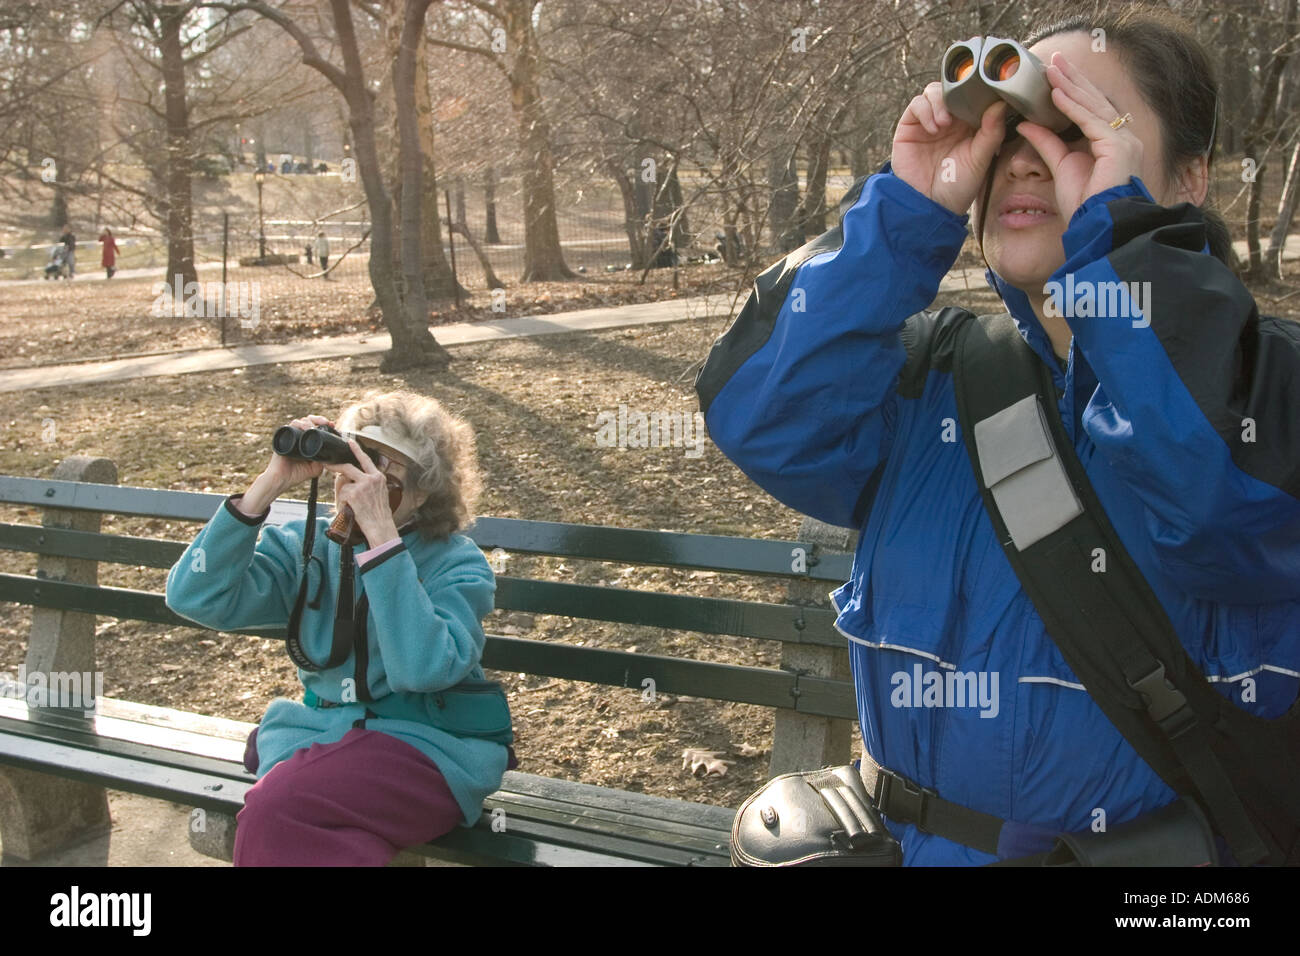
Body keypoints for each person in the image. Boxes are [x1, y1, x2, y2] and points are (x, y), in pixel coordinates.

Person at [697, 8, 1300, 865]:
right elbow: (759, 412)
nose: (1025, 154)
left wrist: (1117, 244)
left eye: (1073, 125)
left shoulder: (1267, 392)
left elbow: (1214, 496)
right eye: (1007, 126)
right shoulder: (934, 377)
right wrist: (906, 209)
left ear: (1191, 175)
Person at [165, 390, 513, 866]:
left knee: (277, 809)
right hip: (321, 741)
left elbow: (424, 669)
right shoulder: (305, 547)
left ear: (424, 489)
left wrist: (382, 543)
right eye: (355, 463)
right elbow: (194, 596)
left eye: (382, 471)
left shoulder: (456, 562)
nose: (359, 484)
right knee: (311, 833)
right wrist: (268, 484)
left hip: (427, 749)